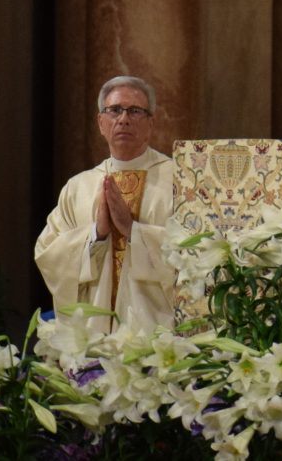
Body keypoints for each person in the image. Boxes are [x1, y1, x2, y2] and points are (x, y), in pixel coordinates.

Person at [33, 76, 176, 327]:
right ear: (101, 122)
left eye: (135, 111)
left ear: (151, 124)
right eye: (114, 110)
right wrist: (96, 234)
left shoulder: (177, 180)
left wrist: (134, 231)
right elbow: (48, 254)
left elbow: (195, 253)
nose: (123, 119)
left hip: (156, 331)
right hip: (93, 333)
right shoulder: (78, 187)